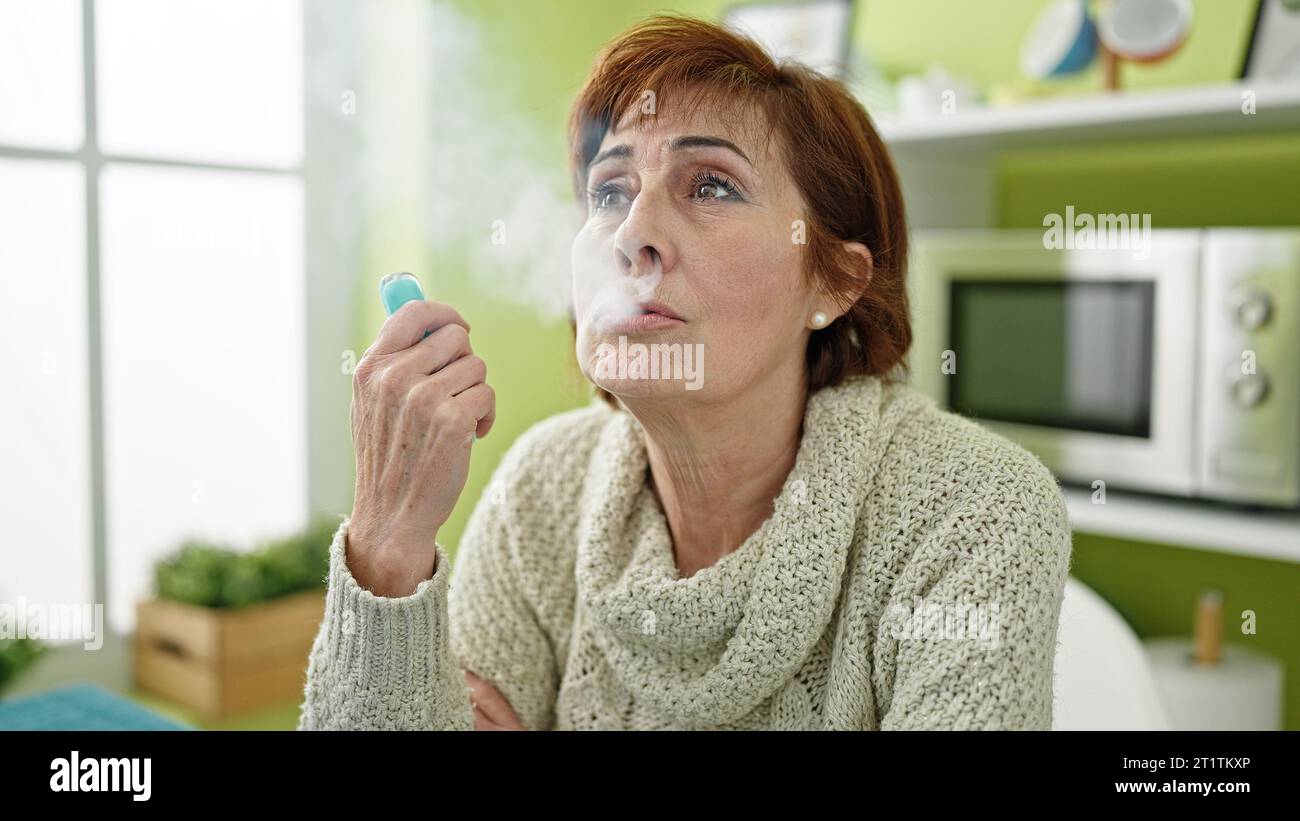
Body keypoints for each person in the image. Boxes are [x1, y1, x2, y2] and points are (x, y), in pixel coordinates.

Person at [297, 14, 1073, 731]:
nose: (632, 233)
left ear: (834, 280)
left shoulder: (974, 509)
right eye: (609, 190)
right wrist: (388, 546)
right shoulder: (544, 489)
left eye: (710, 185)